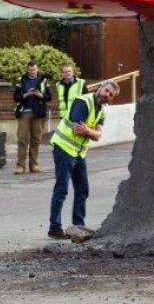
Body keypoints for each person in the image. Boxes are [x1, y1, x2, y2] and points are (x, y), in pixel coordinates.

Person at [47, 80, 120, 239]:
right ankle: (54, 228)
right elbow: (77, 129)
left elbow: (98, 136)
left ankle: (78, 226)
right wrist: (91, 131)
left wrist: (89, 131)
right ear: (101, 88)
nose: (107, 94)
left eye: (110, 94)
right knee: (62, 189)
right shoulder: (83, 102)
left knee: (83, 189)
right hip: (64, 148)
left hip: (78, 153)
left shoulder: (101, 112)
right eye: (106, 90)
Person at [13, 60, 52, 174]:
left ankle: (34, 165)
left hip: (38, 113)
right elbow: (15, 97)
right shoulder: (21, 80)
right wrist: (26, 94)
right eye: (30, 70)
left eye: (34, 70)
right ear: (27, 69)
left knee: (36, 139)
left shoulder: (43, 80)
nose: (32, 72)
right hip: (24, 112)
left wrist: (39, 94)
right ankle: (20, 166)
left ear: (37, 69)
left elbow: (49, 97)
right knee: (22, 139)